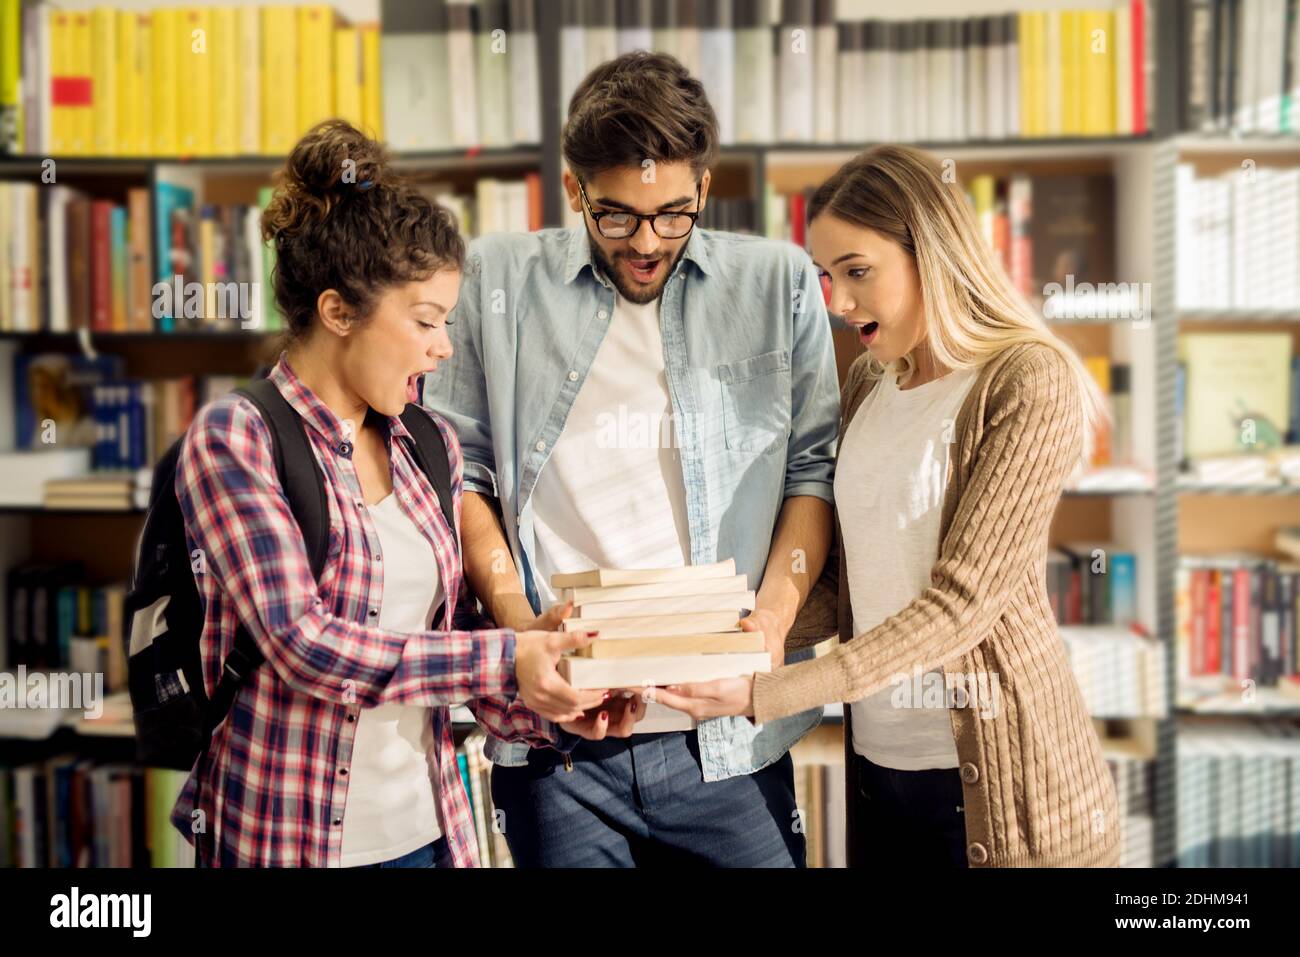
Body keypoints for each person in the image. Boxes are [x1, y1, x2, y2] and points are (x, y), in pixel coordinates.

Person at [172, 120, 637, 868]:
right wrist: (509, 655)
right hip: (282, 840)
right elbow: (305, 645)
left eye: (447, 321)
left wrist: (555, 701)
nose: (443, 346)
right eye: (425, 320)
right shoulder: (237, 439)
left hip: (427, 837)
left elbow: (450, 648)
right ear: (337, 312)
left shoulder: (428, 443)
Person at [652, 145, 1123, 869]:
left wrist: (764, 691)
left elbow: (959, 605)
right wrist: (715, 634)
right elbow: (850, 583)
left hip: (1001, 789)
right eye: (827, 276)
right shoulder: (871, 383)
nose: (837, 303)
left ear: (929, 251)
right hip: (878, 768)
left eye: (858, 272)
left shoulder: (1027, 381)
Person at [423, 52, 840, 867]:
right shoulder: (495, 281)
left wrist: (773, 623)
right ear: (574, 190)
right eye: (616, 216)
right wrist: (520, 637)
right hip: (560, 750)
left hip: (731, 738)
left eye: (673, 214)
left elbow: (811, 470)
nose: (646, 244)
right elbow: (459, 474)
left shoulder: (777, 282)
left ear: (705, 188)